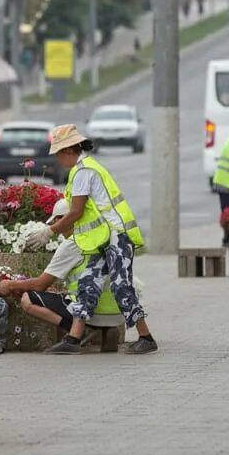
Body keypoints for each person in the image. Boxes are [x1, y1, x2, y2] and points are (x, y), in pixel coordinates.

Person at [43, 124, 156, 355]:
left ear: (68, 150)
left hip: (115, 238)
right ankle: (73, 339)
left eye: (58, 153)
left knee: (121, 286)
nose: (57, 159)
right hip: (102, 239)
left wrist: (49, 231)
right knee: (88, 283)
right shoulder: (84, 168)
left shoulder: (84, 171)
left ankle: (146, 337)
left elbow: (75, 212)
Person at [0, 200, 127, 349]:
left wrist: (11, 284)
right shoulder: (101, 236)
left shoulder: (72, 243)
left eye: (56, 220)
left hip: (87, 312)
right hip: (116, 311)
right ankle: (107, 329)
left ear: (62, 220)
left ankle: (80, 331)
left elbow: (40, 285)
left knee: (28, 299)